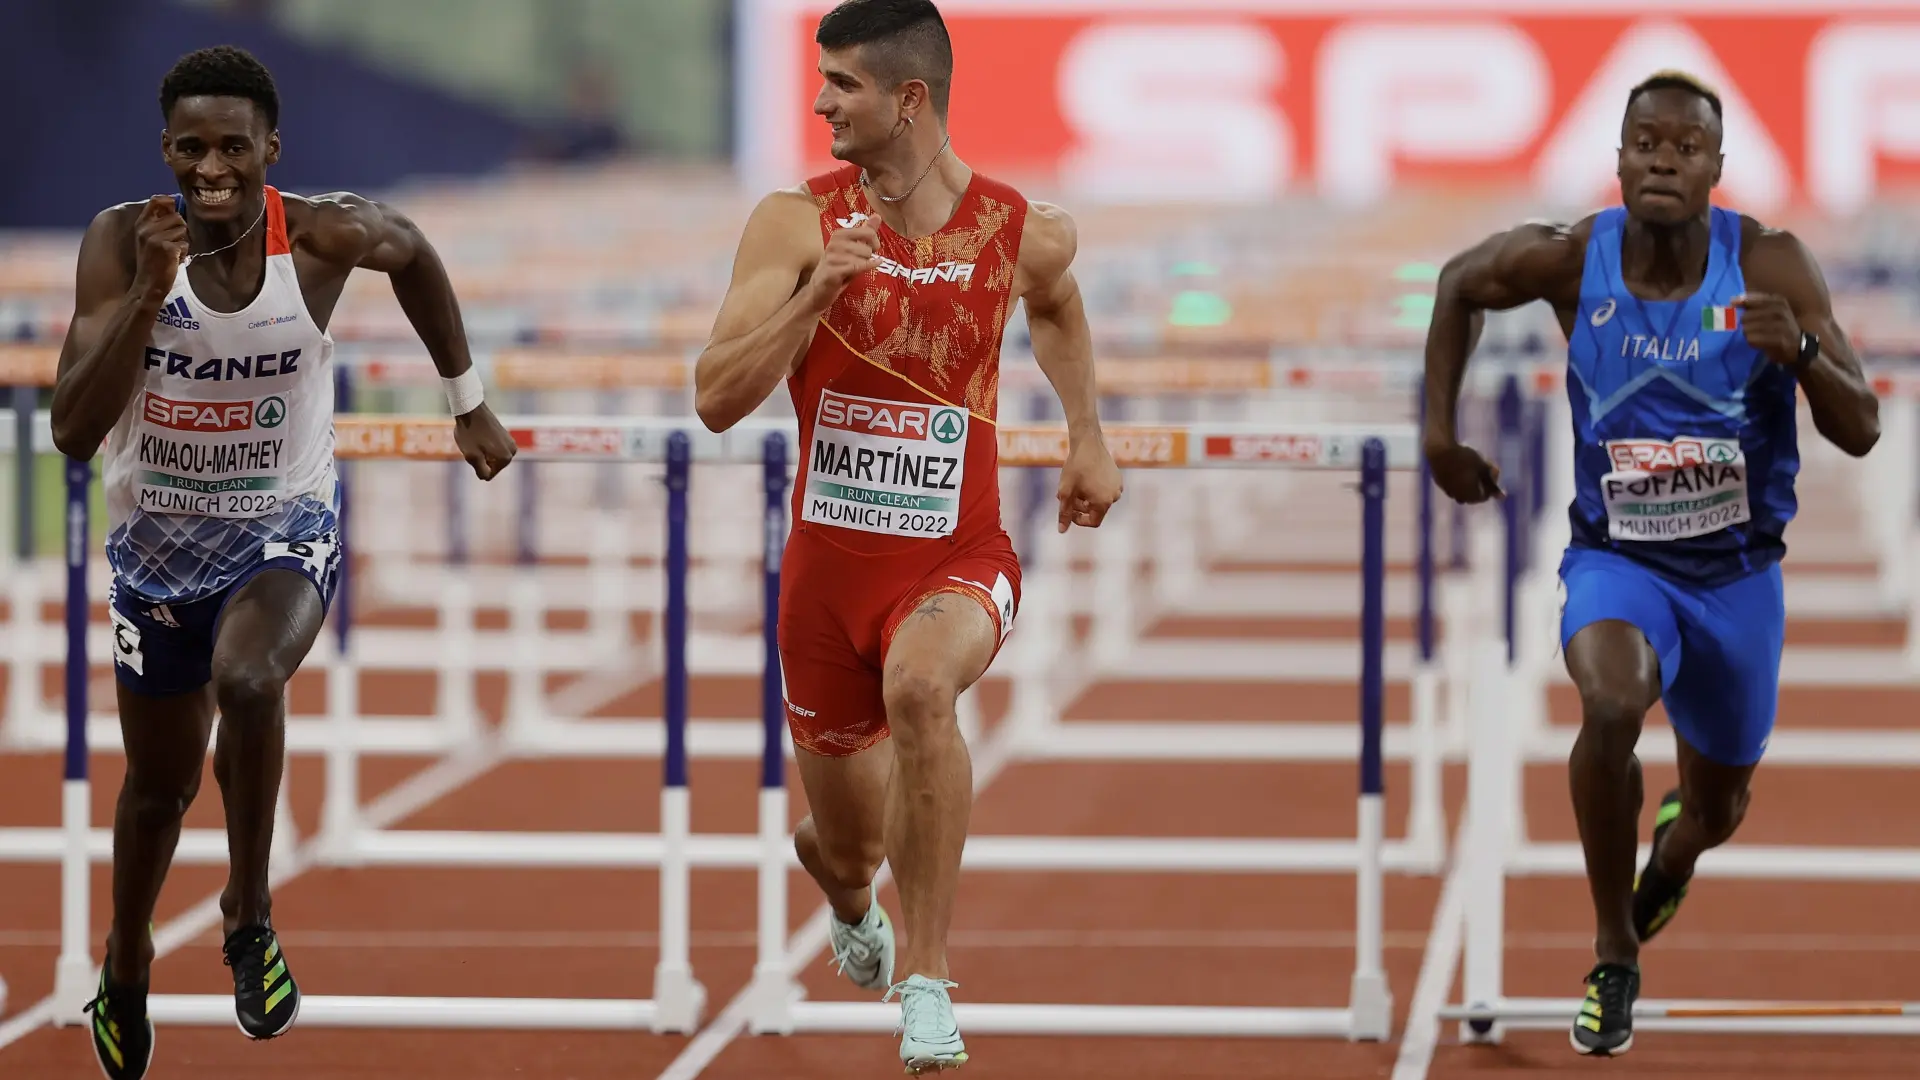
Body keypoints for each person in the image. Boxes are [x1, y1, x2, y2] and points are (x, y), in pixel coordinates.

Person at [50, 45, 518, 1080]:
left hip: (283, 524)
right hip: (156, 548)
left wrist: (468, 401)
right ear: (164, 150)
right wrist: (145, 300)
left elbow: (416, 256)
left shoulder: (324, 233)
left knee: (251, 677)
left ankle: (247, 914)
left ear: (272, 147)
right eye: (191, 148)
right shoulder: (122, 243)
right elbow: (73, 434)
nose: (211, 170)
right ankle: (125, 965)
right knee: (158, 790)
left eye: (232, 147)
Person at [694, 0, 1122, 1071]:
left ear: (909, 99)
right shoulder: (796, 223)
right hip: (827, 586)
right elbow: (714, 397)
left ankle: (928, 984)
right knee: (850, 846)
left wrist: (1086, 434)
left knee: (924, 690)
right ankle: (843, 885)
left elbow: (1058, 304)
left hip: (956, 557)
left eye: (841, 84)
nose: (819, 101)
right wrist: (815, 299)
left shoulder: (1024, 229)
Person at [1421, 70, 1880, 1057]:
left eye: (1686, 146)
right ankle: (1615, 950)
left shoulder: (1769, 262)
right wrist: (1437, 437)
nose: (1663, 158)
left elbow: (1865, 429)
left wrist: (1799, 349)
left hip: (1738, 578)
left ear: (1718, 166)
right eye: (1646, 142)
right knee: (1612, 700)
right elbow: (1459, 283)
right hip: (1618, 563)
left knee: (1719, 809)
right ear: (1620, 157)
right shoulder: (1571, 257)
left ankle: (1673, 854)